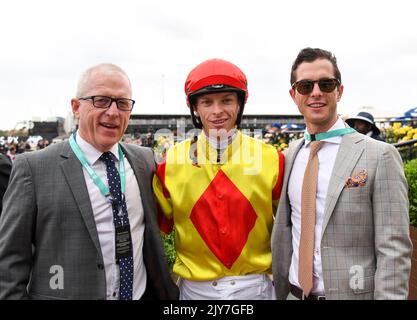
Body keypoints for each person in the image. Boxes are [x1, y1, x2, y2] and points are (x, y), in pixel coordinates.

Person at [0, 63, 178, 300]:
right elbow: (10, 264)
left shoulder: (144, 161)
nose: (113, 112)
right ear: (76, 107)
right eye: (101, 100)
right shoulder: (33, 168)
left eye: (122, 103)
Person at [271, 47, 412, 300]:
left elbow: (394, 249)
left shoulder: (380, 155)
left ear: (340, 90)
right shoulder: (291, 154)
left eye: (326, 84)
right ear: (294, 95)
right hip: (292, 295)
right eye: (305, 86)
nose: (316, 93)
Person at [153, 58, 284, 300]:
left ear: (240, 104)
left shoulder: (272, 159)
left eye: (226, 100)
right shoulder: (169, 163)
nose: (217, 111)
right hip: (195, 292)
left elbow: (290, 228)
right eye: (206, 102)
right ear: (195, 108)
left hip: (256, 289)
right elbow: (154, 230)